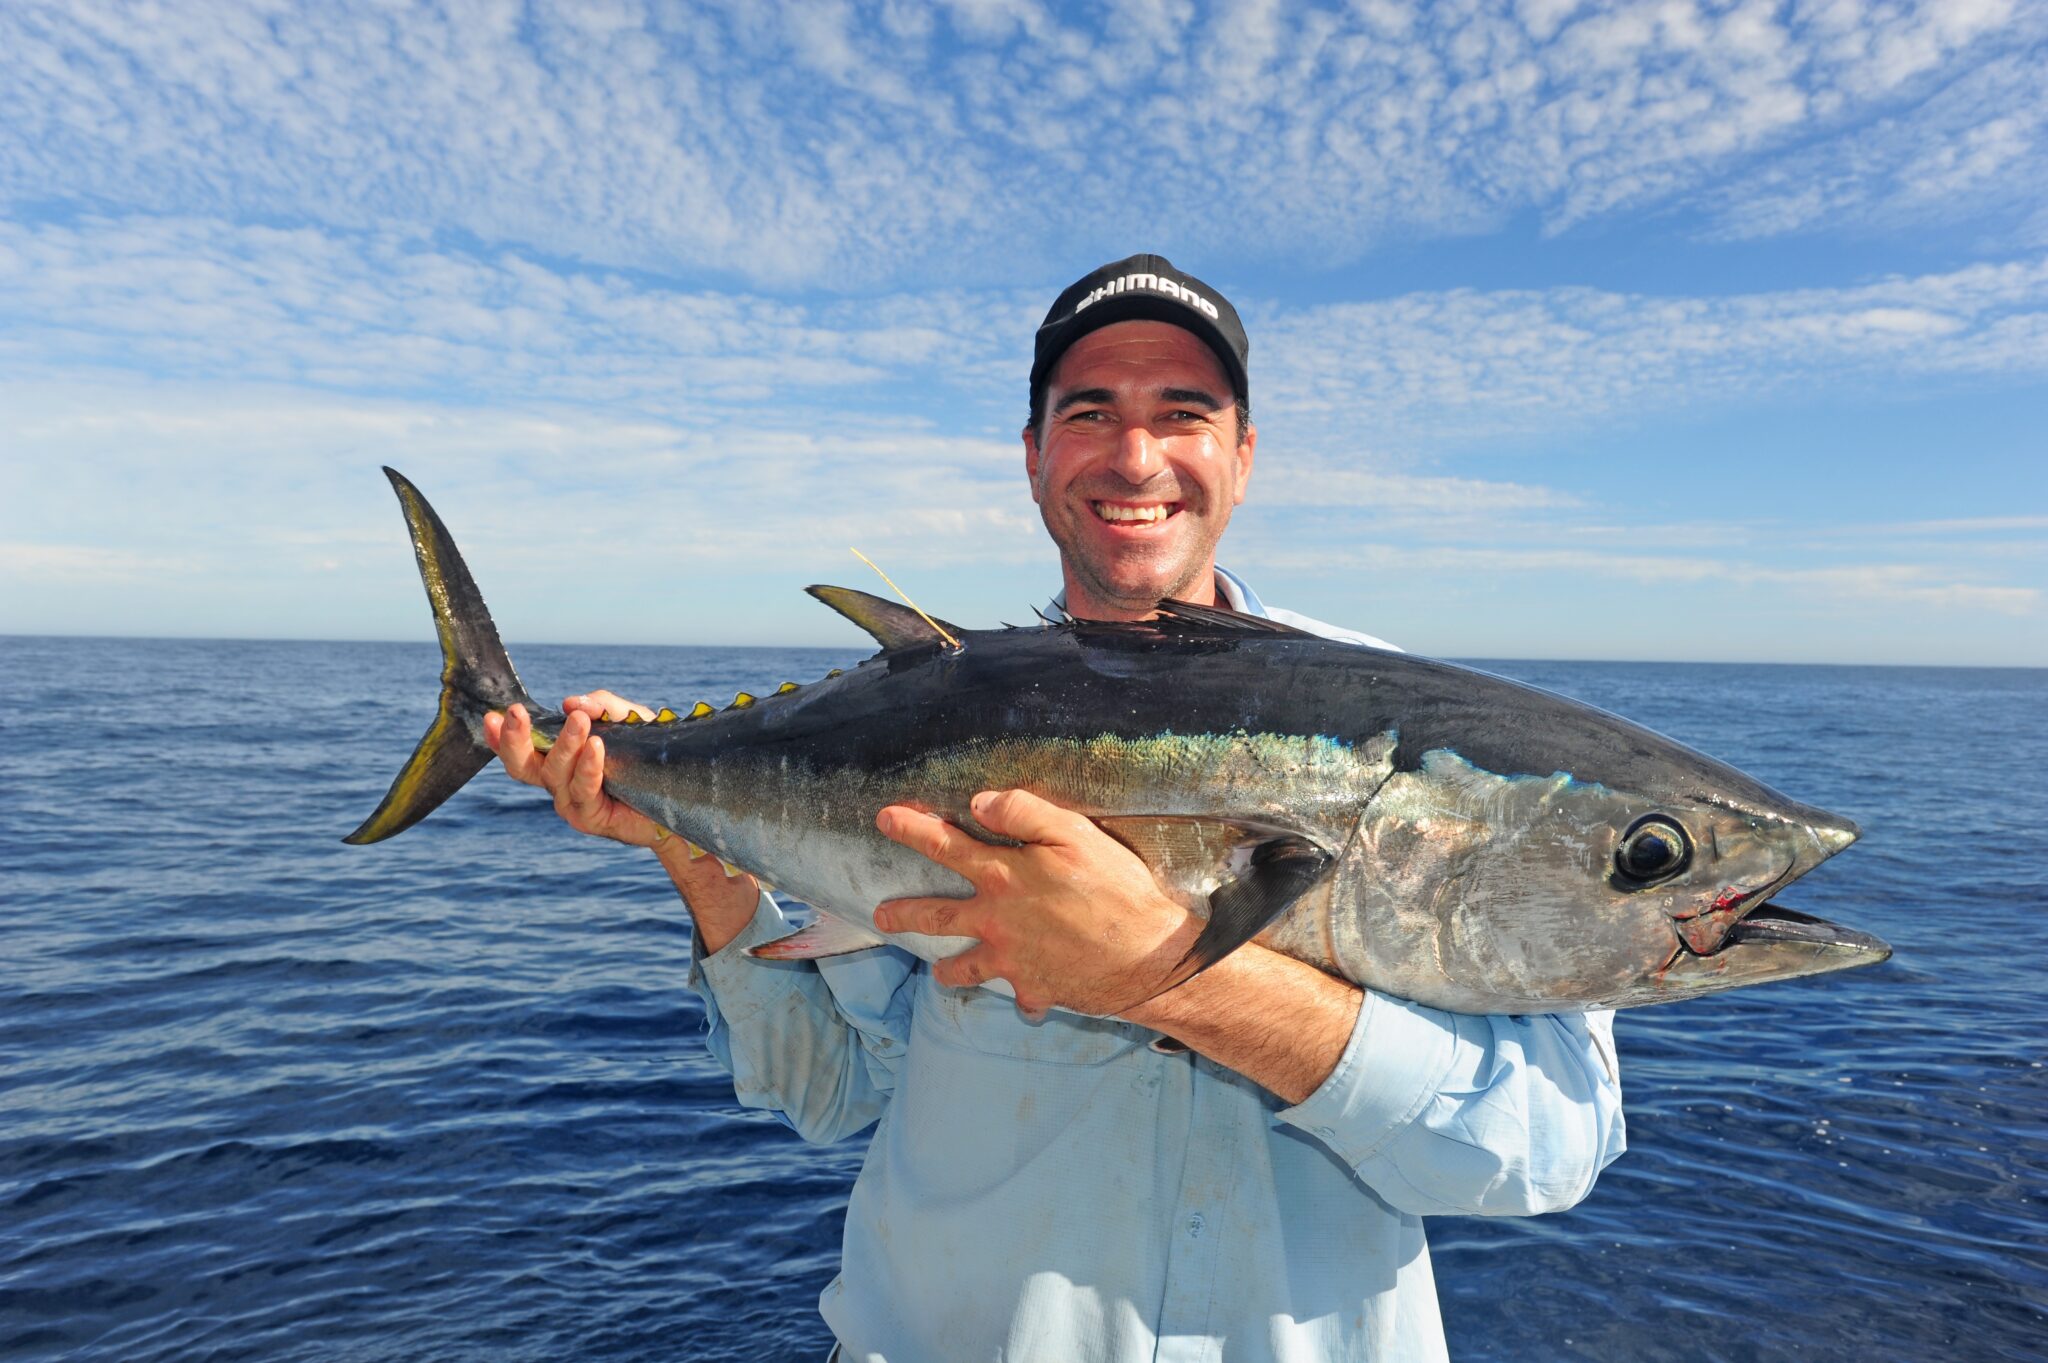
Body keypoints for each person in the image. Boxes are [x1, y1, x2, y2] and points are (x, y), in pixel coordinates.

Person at [486, 254, 1627, 1362]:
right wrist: (693, 854)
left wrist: (1168, 972)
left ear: (1242, 454)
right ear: (1034, 458)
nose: (1135, 457)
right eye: (1089, 413)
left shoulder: (1440, 751)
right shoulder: (924, 708)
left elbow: (1544, 1151)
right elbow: (828, 1087)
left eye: (1182, 413)